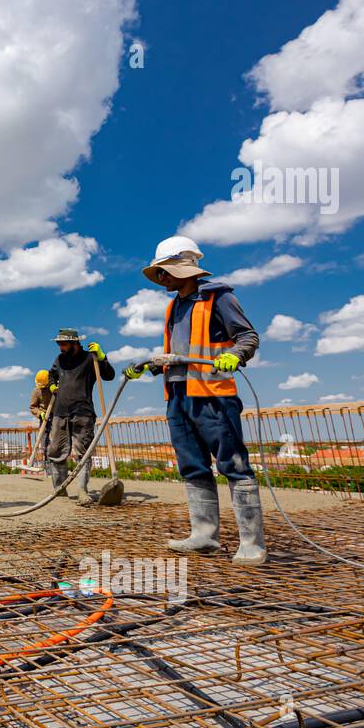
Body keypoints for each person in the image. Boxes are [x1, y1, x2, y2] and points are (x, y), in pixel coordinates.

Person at [124, 235, 265, 564]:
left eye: (164, 272)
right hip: (178, 395)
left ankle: (252, 544)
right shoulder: (174, 306)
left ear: (181, 269)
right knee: (193, 466)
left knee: (234, 465)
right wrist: (154, 365)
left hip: (213, 396)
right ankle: (204, 536)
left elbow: (247, 336)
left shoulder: (219, 298)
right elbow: (182, 354)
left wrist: (235, 355)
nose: (162, 279)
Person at [45, 328, 114, 506]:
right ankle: (59, 490)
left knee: (83, 453)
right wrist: (52, 385)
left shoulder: (89, 358)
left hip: (83, 412)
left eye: (63, 343)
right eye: (58, 343)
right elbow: (51, 374)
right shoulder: (59, 360)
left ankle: (82, 490)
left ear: (75, 343)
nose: (60, 346)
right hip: (60, 412)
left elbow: (109, 375)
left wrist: (101, 357)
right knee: (56, 452)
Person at [29, 369, 55, 460]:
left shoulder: (54, 387)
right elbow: (32, 407)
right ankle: (47, 462)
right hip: (45, 418)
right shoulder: (37, 391)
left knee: (58, 440)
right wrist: (40, 414)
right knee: (44, 441)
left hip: (57, 416)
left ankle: (58, 463)